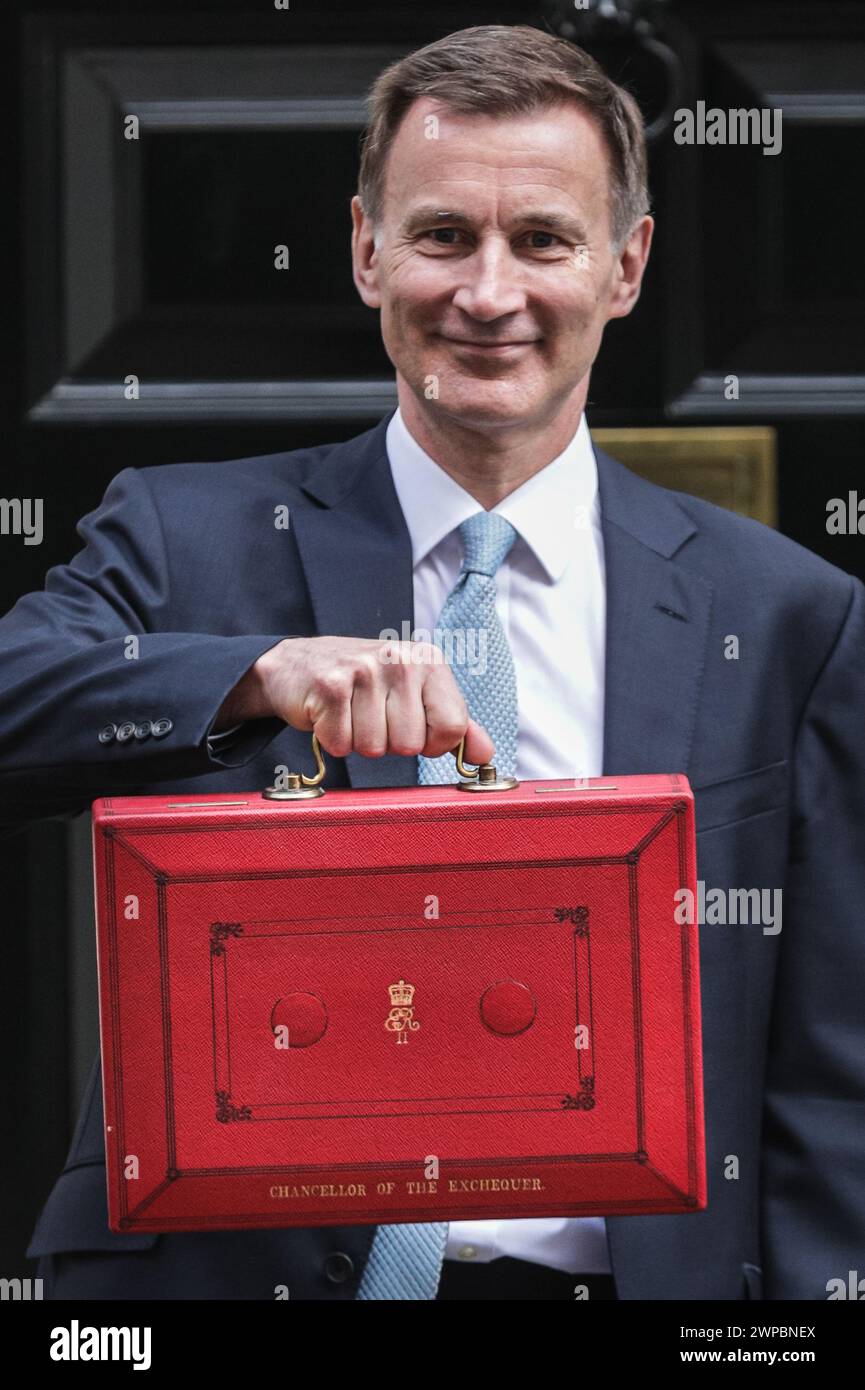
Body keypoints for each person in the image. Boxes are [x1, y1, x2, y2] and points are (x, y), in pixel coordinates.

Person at [3, 24, 863, 1301]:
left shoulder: (788, 609)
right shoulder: (185, 533)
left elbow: (827, 1069)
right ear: (366, 250)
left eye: (545, 241)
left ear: (624, 267)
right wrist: (256, 674)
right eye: (444, 235)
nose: (489, 292)